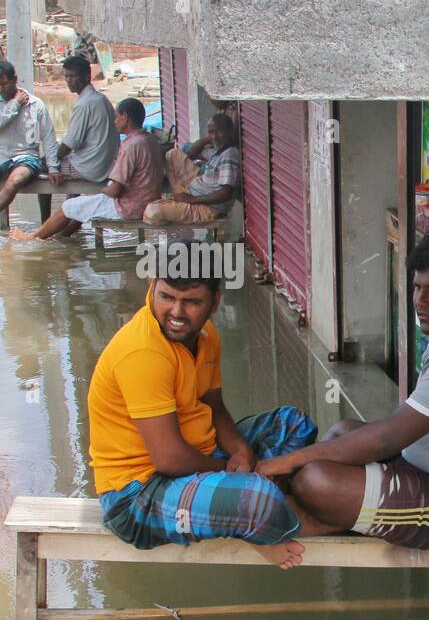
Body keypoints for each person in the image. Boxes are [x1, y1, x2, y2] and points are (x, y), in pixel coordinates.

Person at [255, 229, 429, 550]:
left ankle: (306, 517)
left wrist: (291, 461)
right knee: (342, 431)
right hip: (425, 469)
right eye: (417, 288)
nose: (420, 301)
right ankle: (319, 514)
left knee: (315, 481)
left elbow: (390, 437)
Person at [88, 243, 318, 568]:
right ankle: (261, 520)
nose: (177, 314)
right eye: (167, 297)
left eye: (192, 302)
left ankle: (250, 509)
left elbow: (214, 407)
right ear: (152, 286)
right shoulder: (143, 353)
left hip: (199, 456)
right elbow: (168, 459)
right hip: (138, 494)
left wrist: (241, 453)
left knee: (294, 423)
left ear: (214, 303)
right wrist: (231, 472)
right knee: (256, 501)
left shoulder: (206, 334)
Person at [11, 98, 165, 241]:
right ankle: (60, 237)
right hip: (148, 203)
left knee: (68, 206)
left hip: (129, 208)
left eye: (116, 116)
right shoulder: (149, 139)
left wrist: (103, 190)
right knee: (82, 205)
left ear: (125, 117)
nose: (114, 121)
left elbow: (116, 190)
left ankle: (31, 238)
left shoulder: (131, 146)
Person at [0, 60, 60, 229]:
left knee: (14, 180)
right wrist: (14, 105)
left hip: (26, 158)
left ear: (15, 79)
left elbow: (48, 137)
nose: (1, 89)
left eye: (4, 84)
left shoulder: (36, 104)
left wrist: (53, 167)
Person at [142, 112, 240, 225]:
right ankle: (180, 195)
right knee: (173, 154)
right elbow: (191, 154)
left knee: (152, 211)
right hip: (194, 190)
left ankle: (182, 203)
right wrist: (208, 139)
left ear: (230, 131)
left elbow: (225, 193)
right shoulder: (218, 151)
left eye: (218, 131)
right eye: (211, 132)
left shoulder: (229, 155)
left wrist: (192, 200)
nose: (214, 136)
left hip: (207, 207)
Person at [49, 55, 119, 186]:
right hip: (105, 164)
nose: (68, 80)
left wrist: (50, 159)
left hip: (91, 168)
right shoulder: (100, 98)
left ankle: (44, 208)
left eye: (72, 76)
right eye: (66, 76)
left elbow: (69, 144)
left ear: (86, 77)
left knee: (45, 168)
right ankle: (70, 204)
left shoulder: (85, 104)